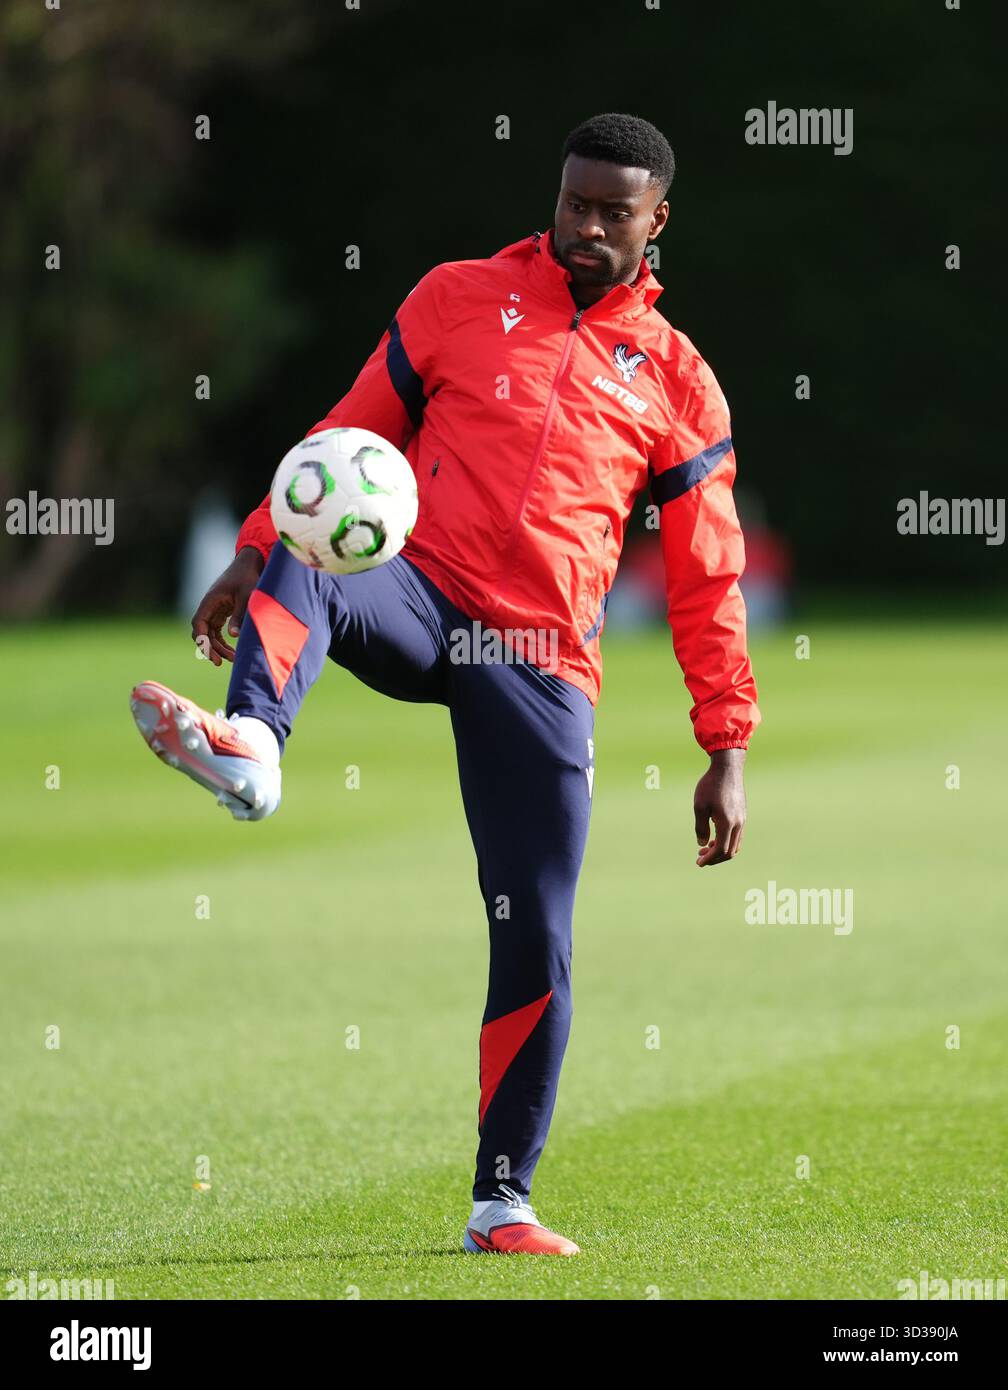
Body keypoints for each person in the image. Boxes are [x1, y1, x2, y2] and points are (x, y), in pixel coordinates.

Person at [131, 112, 760, 1256]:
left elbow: (706, 576)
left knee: (538, 930)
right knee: (312, 543)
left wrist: (726, 744)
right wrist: (252, 545)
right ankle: (255, 749)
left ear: (657, 221)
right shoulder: (458, 296)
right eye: (573, 201)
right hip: (417, 597)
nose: (584, 225)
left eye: (612, 212)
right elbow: (347, 437)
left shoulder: (679, 382)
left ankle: (501, 1201)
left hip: (540, 660)